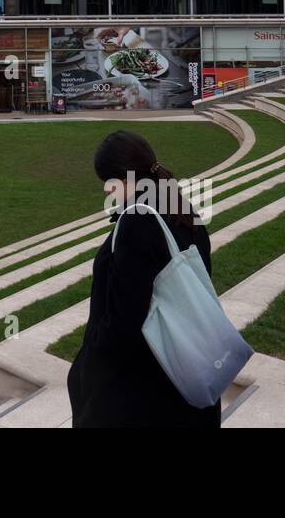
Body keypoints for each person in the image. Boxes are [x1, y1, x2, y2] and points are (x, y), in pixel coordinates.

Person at [67, 129, 219, 428]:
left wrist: (87, 369)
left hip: (144, 391)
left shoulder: (137, 224)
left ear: (125, 178)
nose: (107, 192)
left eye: (109, 184)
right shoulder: (183, 211)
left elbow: (124, 323)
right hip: (185, 373)